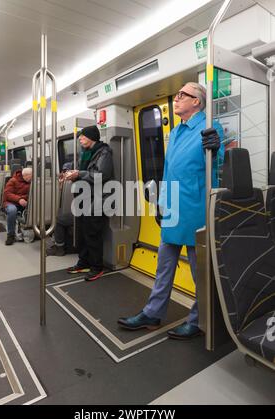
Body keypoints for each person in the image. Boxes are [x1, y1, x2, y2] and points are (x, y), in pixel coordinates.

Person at [118, 82, 224, 340]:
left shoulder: (209, 126)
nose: (176, 99)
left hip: (196, 207)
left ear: (196, 101)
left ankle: (199, 320)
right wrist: (163, 200)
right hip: (174, 207)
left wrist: (217, 147)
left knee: (200, 271)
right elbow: (169, 170)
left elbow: (217, 162)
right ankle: (152, 313)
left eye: (181, 95)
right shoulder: (176, 132)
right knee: (164, 265)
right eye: (176, 95)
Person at [65, 125, 113, 281]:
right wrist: (73, 174)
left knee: (92, 234)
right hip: (84, 197)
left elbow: (100, 175)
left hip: (98, 199)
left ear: (92, 137)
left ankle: (97, 267)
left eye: (83, 136)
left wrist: (79, 174)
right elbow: (83, 172)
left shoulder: (104, 152)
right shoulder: (85, 154)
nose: (80, 138)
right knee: (83, 232)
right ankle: (83, 262)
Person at [46, 162, 75, 256]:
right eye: (64, 171)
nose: (65, 173)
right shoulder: (63, 182)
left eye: (67, 171)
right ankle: (56, 241)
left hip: (80, 212)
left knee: (58, 220)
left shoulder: (73, 182)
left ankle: (59, 248)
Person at [2, 168, 32, 246]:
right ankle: (10, 235)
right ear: (25, 175)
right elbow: (7, 194)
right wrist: (19, 199)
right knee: (12, 210)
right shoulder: (13, 181)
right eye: (31, 176)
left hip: (25, 202)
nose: (32, 177)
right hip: (11, 202)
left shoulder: (32, 182)